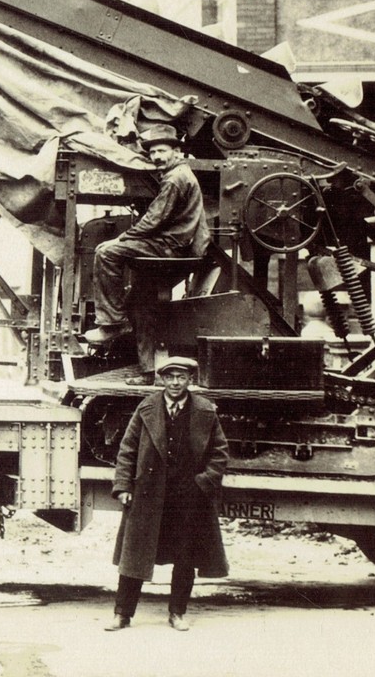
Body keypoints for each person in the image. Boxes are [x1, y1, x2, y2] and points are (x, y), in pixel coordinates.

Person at [105, 355, 229, 632]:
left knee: (185, 557)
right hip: (148, 493)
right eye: (170, 377)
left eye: (181, 377)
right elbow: (127, 450)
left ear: (190, 380)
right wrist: (123, 486)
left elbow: (220, 453)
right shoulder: (146, 408)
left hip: (188, 496)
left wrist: (204, 482)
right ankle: (122, 614)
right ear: (162, 379)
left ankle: (177, 613)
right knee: (135, 555)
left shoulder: (205, 410)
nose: (175, 383)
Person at [84, 124, 210, 347]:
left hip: (168, 247)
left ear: (176, 152)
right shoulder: (177, 173)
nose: (156, 157)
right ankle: (148, 371)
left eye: (161, 151)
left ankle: (111, 323)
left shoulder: (175, 179)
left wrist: (120, 238)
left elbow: (153, 220)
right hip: (169, 244)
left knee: (106, 252)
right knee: (140, 301)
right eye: (152, 152)